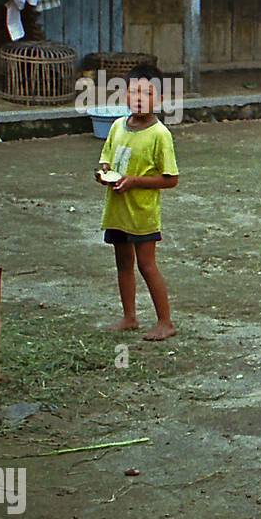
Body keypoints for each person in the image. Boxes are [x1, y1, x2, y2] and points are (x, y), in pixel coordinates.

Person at [95, 64, 179, 342]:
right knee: (122, 264)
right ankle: (129, 316)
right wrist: (103, 172)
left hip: (142, 213)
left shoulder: (160, 135)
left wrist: (134, 182)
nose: (139, 98)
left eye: (147, 93)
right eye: (134, 92)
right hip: (117, 210)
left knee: (147, 265)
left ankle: (165, 322)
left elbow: (170, 179)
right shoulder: (118, 125)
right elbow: (107, 157)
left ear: (161, 99)